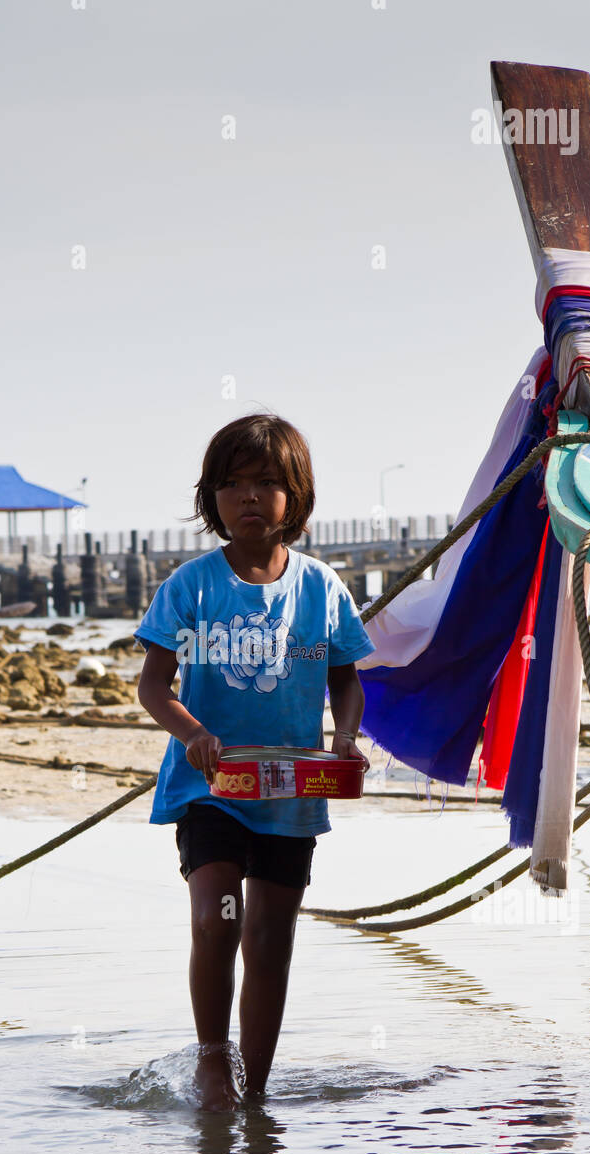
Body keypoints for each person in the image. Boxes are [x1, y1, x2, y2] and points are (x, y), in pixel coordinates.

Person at [135, 414, 376, 1110]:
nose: (248, 497)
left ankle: (257, 1089)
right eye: (232, 483)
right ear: (210, 497)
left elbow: (346, 679)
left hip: (291, 793)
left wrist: (345, 736)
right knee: (219, 918)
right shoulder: (191, 586)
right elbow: (154, 686)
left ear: (294, 496)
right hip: (211, 787)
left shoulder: (322, 588)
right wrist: (193, 733)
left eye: (266, 483)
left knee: (270, 941)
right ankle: (215, 1059)